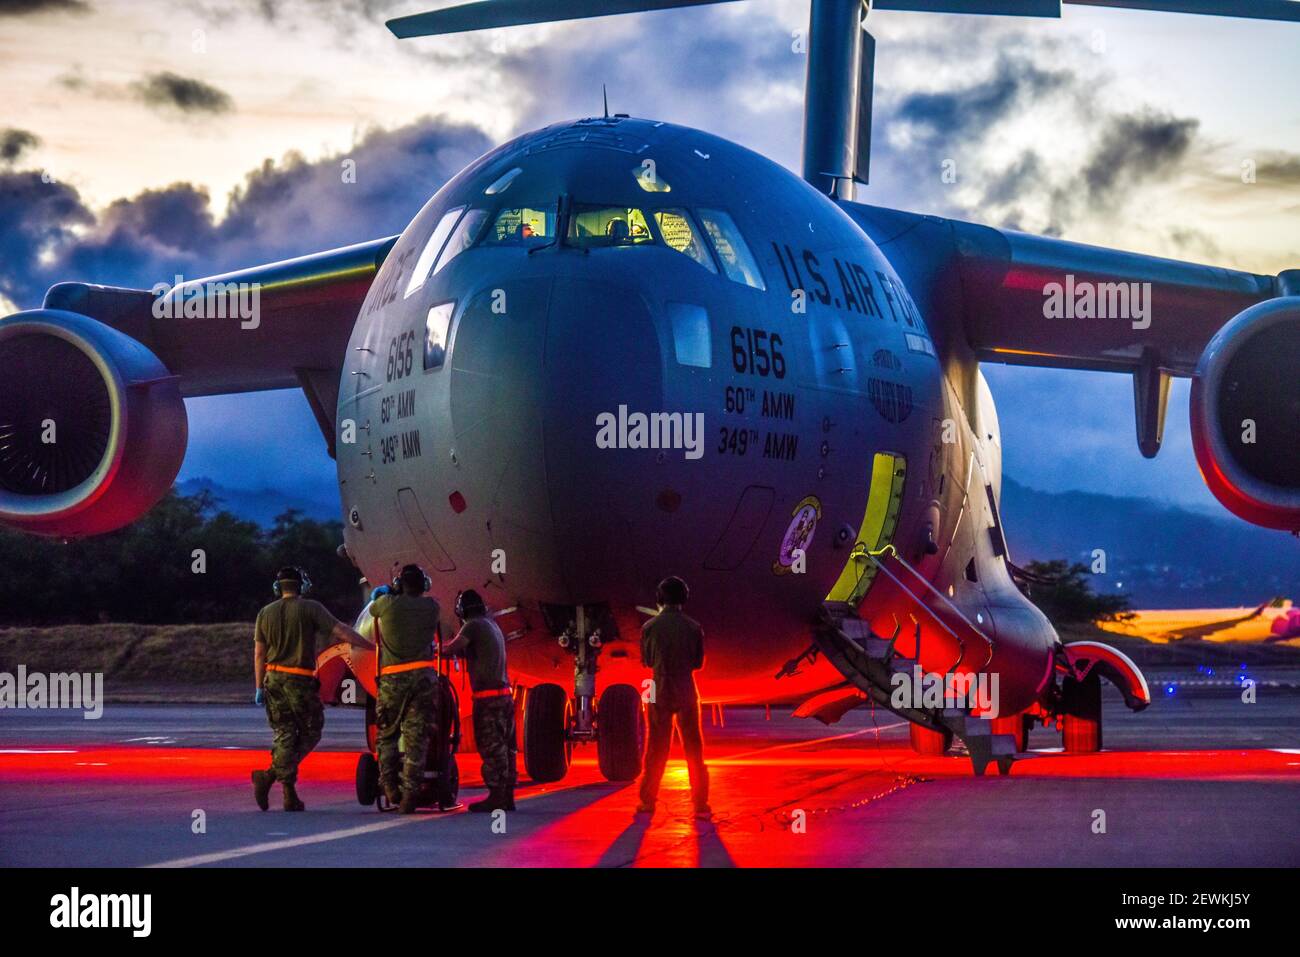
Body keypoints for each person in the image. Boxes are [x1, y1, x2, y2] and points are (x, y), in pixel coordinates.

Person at [252, 566, 372, 812]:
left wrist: (258, 687)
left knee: (284, 733)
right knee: (311, 731)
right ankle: (275, 781)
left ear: (278, 587)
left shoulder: (265, 613)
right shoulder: (311, 608)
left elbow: (259, 653)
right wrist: (370, 645)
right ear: (302, 586)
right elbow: (341, 631)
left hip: (273, 679)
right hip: (300, 680)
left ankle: (281, 787)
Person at [368, 564, 443, 813]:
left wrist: (389, 591)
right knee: (417, 738)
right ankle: (411, 794)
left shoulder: (387, 604)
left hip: (392, 679)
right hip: (423, 678)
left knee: (387, 735)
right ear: (424, 586)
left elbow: (374, 607)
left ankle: (390, 788)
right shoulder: (432, 607)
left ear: (401, 585)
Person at [637, 576, 709, 818]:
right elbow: (698, 663)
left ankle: (648, 801)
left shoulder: (648, 628)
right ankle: (700, 804)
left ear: (659, 598)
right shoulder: (693, 627)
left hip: (659, 688)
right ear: (684, 598)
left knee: (656, 748)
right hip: (686, 688)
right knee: (693, 748)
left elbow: (647, 661)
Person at [442, 589, 516, 813]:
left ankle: (496, 796)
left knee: (491, 747)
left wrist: (432, 649)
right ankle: (507, 796)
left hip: (488, 698)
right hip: (504, 695)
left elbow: (453, 647)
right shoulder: (491, 624)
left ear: (461, 611)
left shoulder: (472, 625)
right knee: (506, 747)